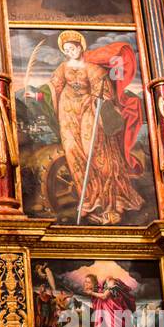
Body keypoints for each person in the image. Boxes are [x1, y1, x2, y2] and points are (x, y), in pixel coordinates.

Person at [49, 31, 145, 225]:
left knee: (94, 151)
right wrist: (40, 95)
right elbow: (55, 85)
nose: (70, 52)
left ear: (80, 47)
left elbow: (104, 91)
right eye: (66, 49)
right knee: (73, 151)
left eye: (73, 48)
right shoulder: (62, 67)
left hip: (90, 111)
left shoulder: (93, 68)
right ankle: (89, 199)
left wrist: (96, 101)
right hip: (68, 114)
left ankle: (110, 202)